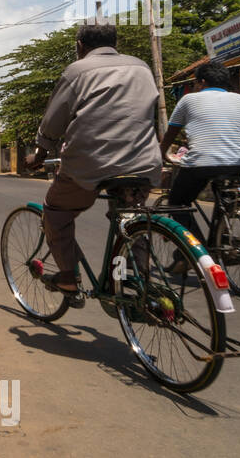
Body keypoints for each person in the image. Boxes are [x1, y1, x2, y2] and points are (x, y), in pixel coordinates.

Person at [25, 18, 162, 292]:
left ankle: (67, 278)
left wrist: (39, 153)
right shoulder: (142, 67)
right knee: (131, 217)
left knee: (55, 212)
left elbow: (54, 122)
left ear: (80, 46)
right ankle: (134, 281)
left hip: (90, 165)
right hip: (144, 161)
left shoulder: (77, 70)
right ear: (116, 44)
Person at [158, 60, 240, 240]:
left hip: (203, 163)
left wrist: (162, 153)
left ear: (202, 82)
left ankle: (195, 252)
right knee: (225, 198)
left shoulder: (188, 99)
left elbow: (170, 134)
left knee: (177, 202)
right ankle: (222, 237)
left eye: (195, 83)